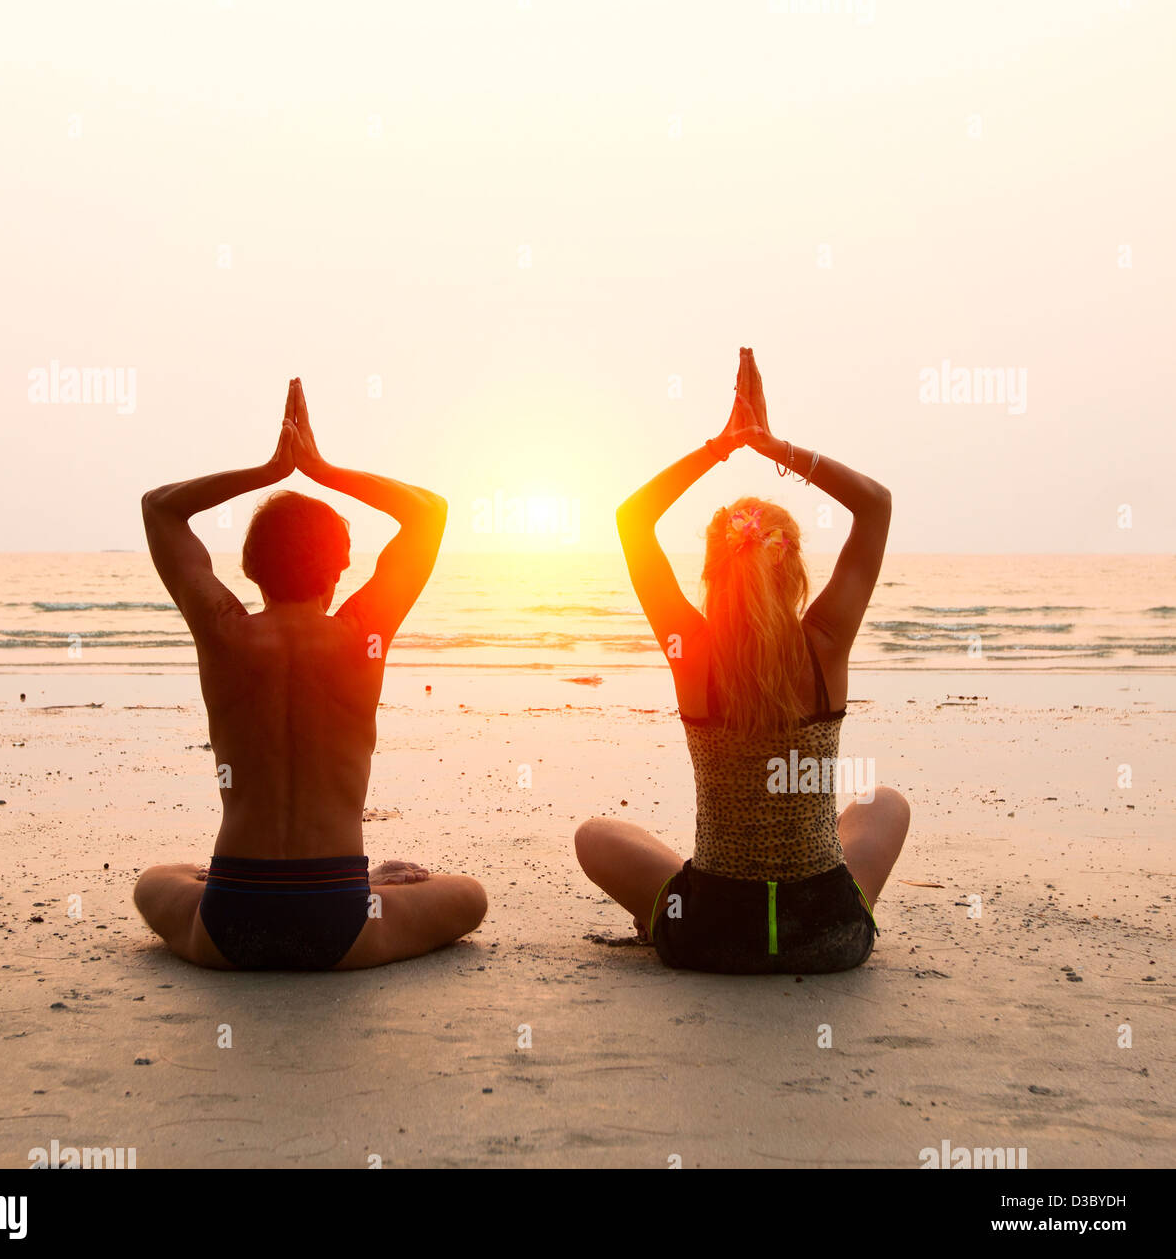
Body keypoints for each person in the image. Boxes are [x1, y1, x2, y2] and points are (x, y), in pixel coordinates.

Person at [133, 378, 487, 970]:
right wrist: (319, 469)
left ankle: (222, 883)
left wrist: (272, 471)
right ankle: (377, 886)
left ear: (249, 567)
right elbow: (430, 511)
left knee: (155, 880)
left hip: (229, 922)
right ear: (342, 566)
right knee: (470, 896)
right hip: (341, 922)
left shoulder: (224, 633)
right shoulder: (361, 635)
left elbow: (158, 506)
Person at [575, 348, 909, 973]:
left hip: (708, 933)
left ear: (710, 569)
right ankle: (793, 878)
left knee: (595, 835)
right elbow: (876, 504)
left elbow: (632, 520)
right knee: (885, 803)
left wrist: (721, 446)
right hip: (828, 934)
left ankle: (714, 886)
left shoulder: (690, 653)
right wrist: (772, 444)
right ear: (794, 572)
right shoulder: (826, 644)